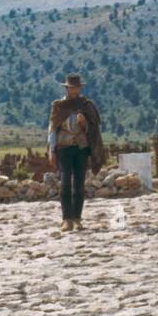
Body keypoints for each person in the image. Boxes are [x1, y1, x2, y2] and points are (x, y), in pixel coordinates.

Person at [47, 73, 103, 233]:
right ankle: (66, 219)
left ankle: (77, 219)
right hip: (63, 147)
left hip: (81, 148)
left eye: (77, 87)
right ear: (67, 88)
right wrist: (51, 150)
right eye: (72, 87)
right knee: (65, 182)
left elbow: (94, 129)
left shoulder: (87, 106)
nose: (75, 90)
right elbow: (52, 129)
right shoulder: (59, 106)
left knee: (79, 183)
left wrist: (85, 123)